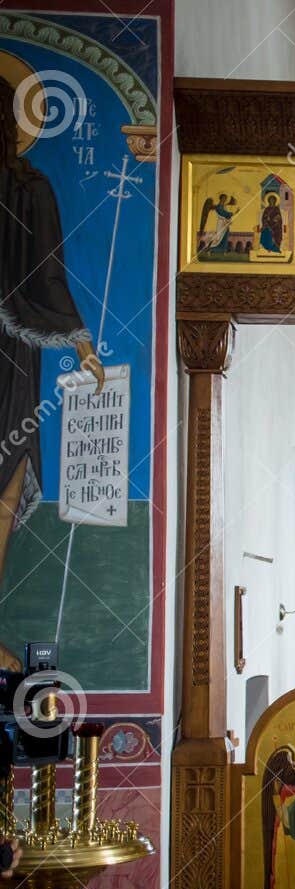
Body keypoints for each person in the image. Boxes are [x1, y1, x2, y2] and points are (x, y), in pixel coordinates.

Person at [0, 78, 103, 668]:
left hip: (12, 351)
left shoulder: (30, 187)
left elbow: (47, 273)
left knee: (11, 475)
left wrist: (79, 338)